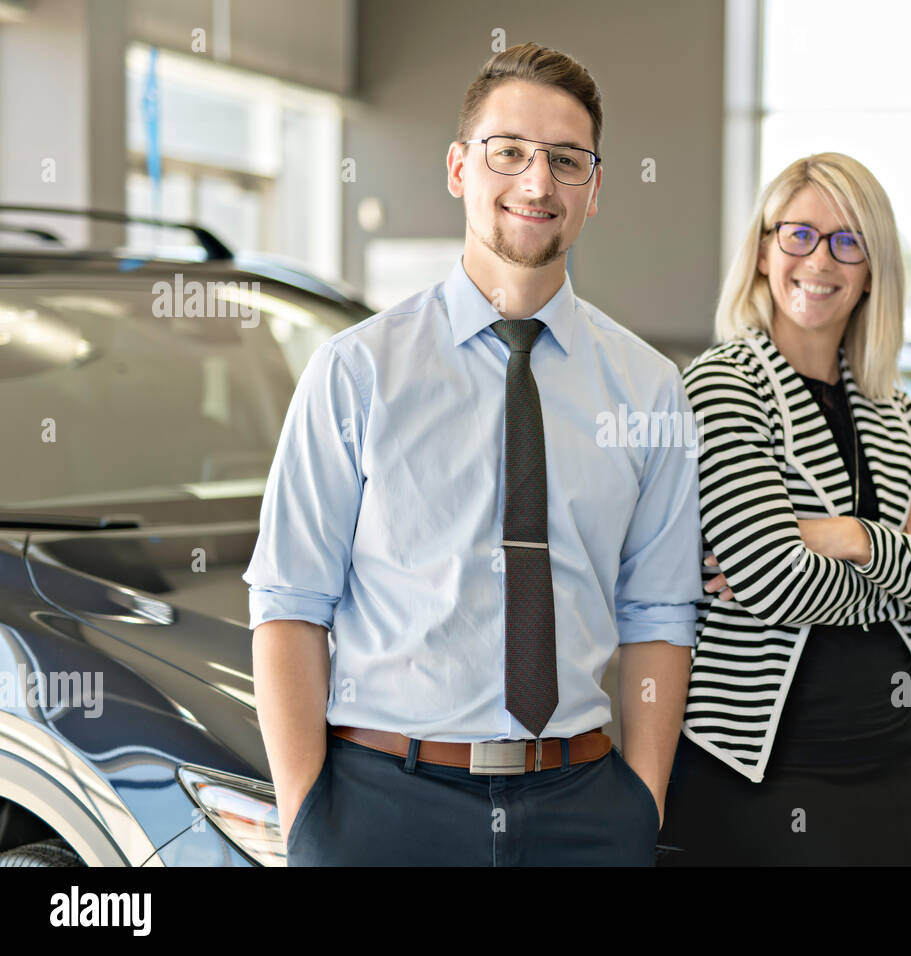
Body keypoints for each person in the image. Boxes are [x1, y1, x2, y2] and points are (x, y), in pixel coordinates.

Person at [243, 42, 701, 866]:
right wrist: (309, 818)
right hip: (385, 805)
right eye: (510, 153)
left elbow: (659, 613)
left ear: (594, 190)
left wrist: (642, 801)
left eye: (566, 161)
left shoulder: (649, 388)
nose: (537, 183)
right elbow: (289, 604)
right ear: (459, 168)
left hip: (584, 808)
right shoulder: (357, 372)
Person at [656, 152, 911, 865]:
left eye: (848, 241)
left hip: (910, 748)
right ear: (762, 250)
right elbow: (773, 580)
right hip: (769, 762)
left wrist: (843, 535)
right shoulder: (724, 385)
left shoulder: (893, 407)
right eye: (799, 234)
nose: (821, 259)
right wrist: (902, 556)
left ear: (873, 271)